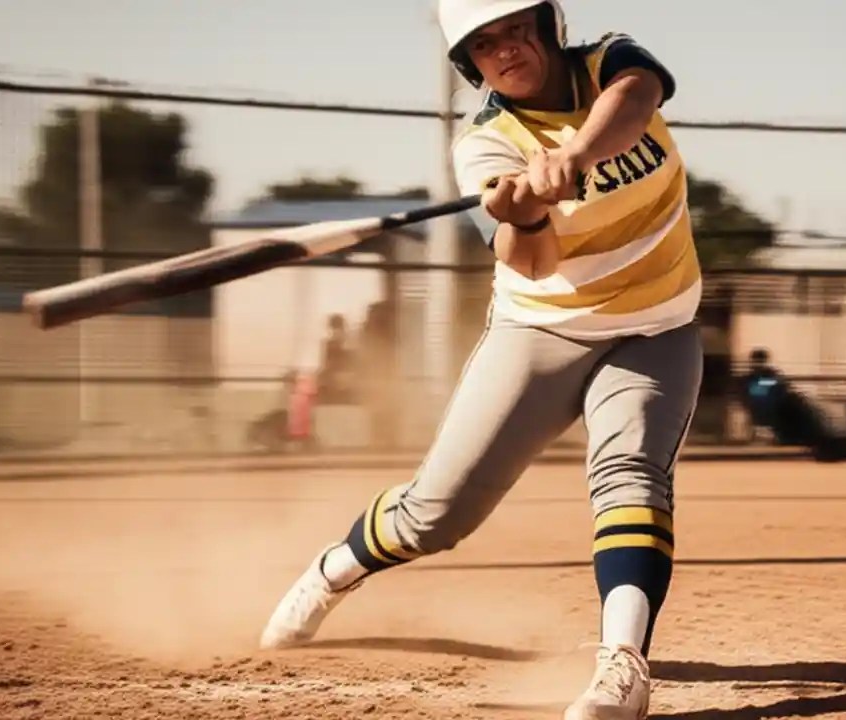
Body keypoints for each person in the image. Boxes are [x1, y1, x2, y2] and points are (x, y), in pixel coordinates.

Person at [259, 2, 702, 717]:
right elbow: (530, 263)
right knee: (438, 515)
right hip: (543, 331)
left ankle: (623, 664)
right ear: (470, 63)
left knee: (630, 473)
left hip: (656, 328)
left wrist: (576, 157)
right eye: (485, 44)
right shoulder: (483, 146)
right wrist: (525, 213)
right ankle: (334, 570)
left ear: (547, 25)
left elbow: (637, 98)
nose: (507, 50)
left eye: (517, 28)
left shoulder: (610, 62)